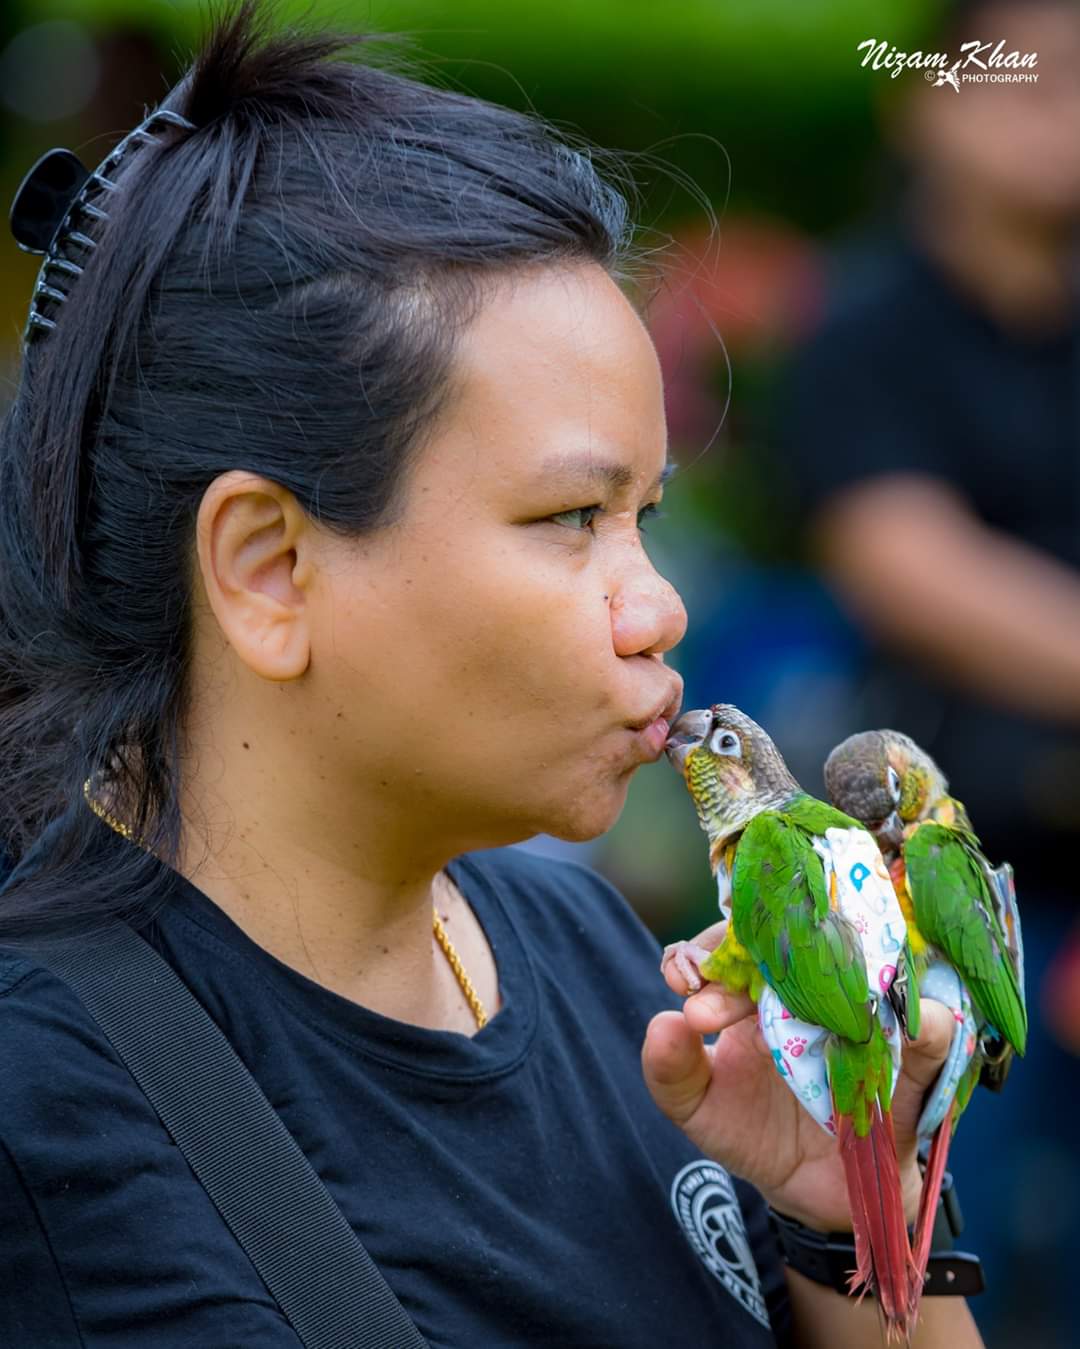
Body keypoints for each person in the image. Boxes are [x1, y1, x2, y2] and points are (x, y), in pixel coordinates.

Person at [0, 3, 982, 1345]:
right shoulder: (51, 1099)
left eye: (648, 511)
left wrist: (852, 1205)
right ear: (269, 569)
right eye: (573, 517)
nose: (659, 604)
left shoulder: (611, 968)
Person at [774, 0, 1080, 1342]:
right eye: (1030, 76)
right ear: (925, 102)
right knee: (967, 1228)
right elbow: (904, 561)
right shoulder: (863, 327)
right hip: (956, 884)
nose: (1062, 106)